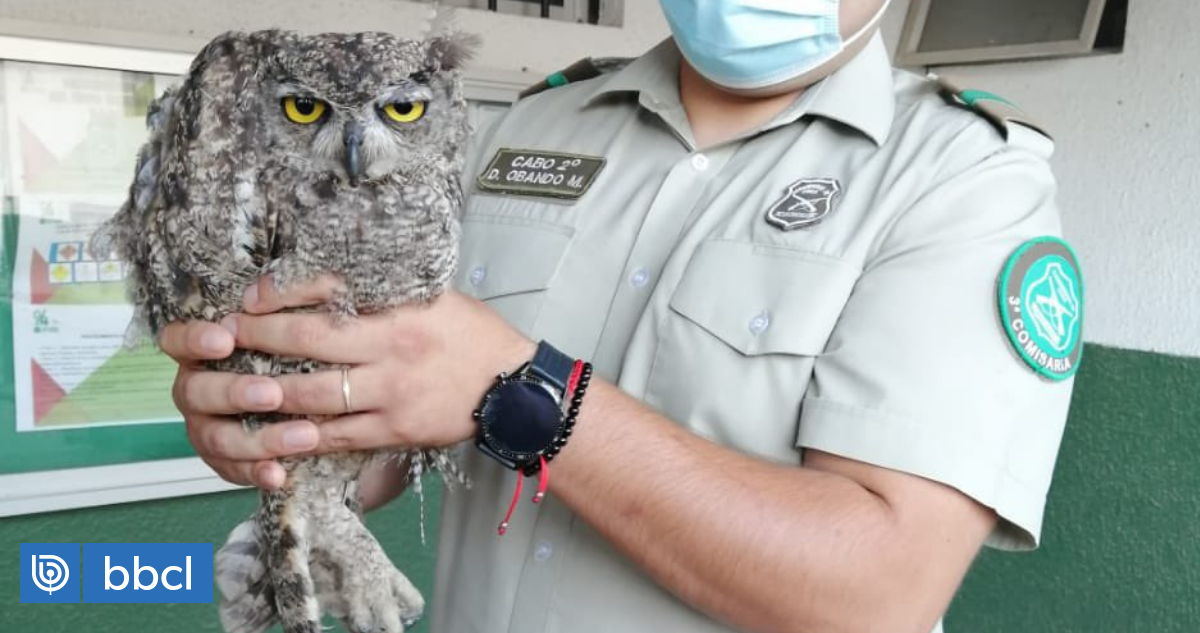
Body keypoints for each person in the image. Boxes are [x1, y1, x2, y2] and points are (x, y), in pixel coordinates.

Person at [162, 1, 1083, 631]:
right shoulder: (524, 128)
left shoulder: (965, 180)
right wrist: (286, 431)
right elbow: (398, 436)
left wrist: (519, 391)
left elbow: (879, 586)